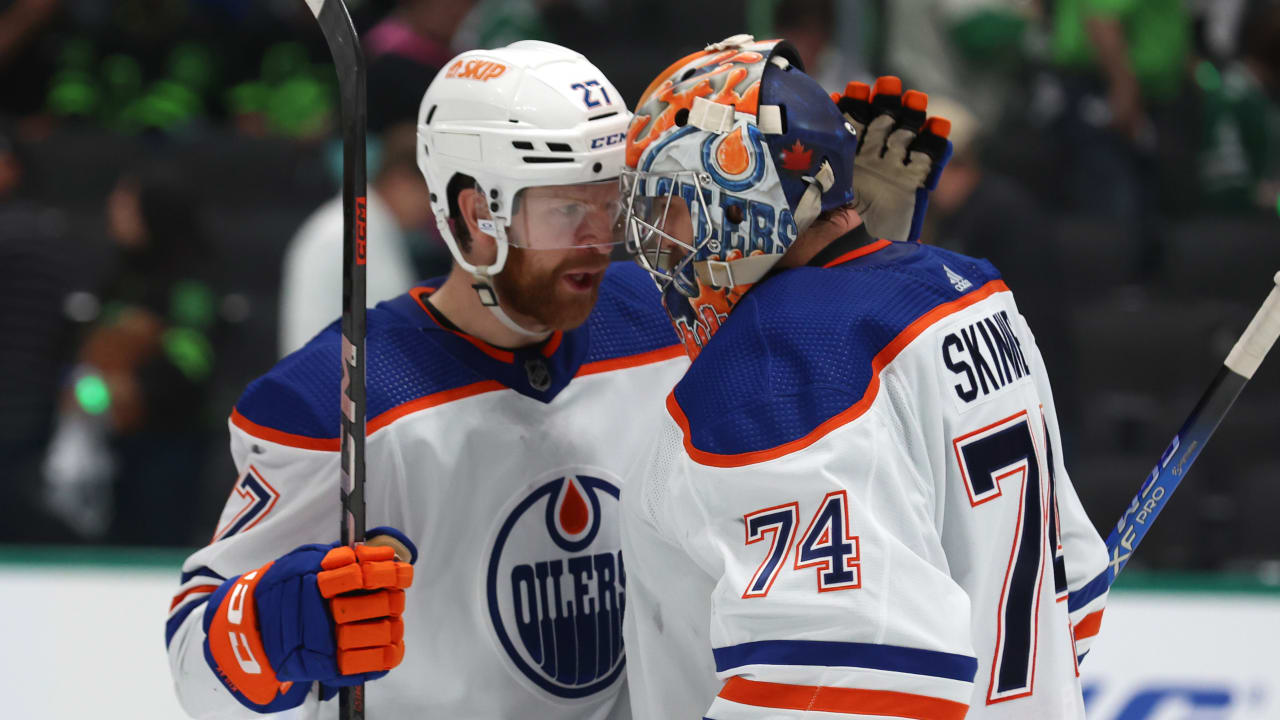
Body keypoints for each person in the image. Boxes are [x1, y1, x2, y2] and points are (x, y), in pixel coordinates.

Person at [166, 41, 687, 718]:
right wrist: (272, 627)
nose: (596, 237)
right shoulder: (339, 397)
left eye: (607, 200)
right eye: (565, 209)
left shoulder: (664, 318)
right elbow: (193, 666)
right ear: (476, 215)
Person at [617, 35, 1110, 718]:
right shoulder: (972, 291)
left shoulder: (773, 368)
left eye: (671, 207)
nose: (661, 243)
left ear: (740, 201)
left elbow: (856, 687)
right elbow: (1074, 593)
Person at [278, 123, 443, 357]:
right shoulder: (348, 233)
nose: (432, 210)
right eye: (430, 195)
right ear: (401, 181)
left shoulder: (367, 226)